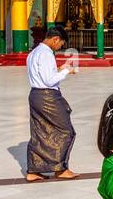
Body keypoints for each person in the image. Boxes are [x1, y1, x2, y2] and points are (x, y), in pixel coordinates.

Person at [25, 26, 79, 182]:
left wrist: (60, 69)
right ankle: (60, 168)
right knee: (66, 131)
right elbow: (49, 80)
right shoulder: (46, 54)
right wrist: (67, 69)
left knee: (39, 132)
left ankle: (33, 170)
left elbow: (43, 75)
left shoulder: (34, 52)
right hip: (48, 97)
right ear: (55, 39)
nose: (60, 47)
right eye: (61, 43)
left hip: (35, 94)